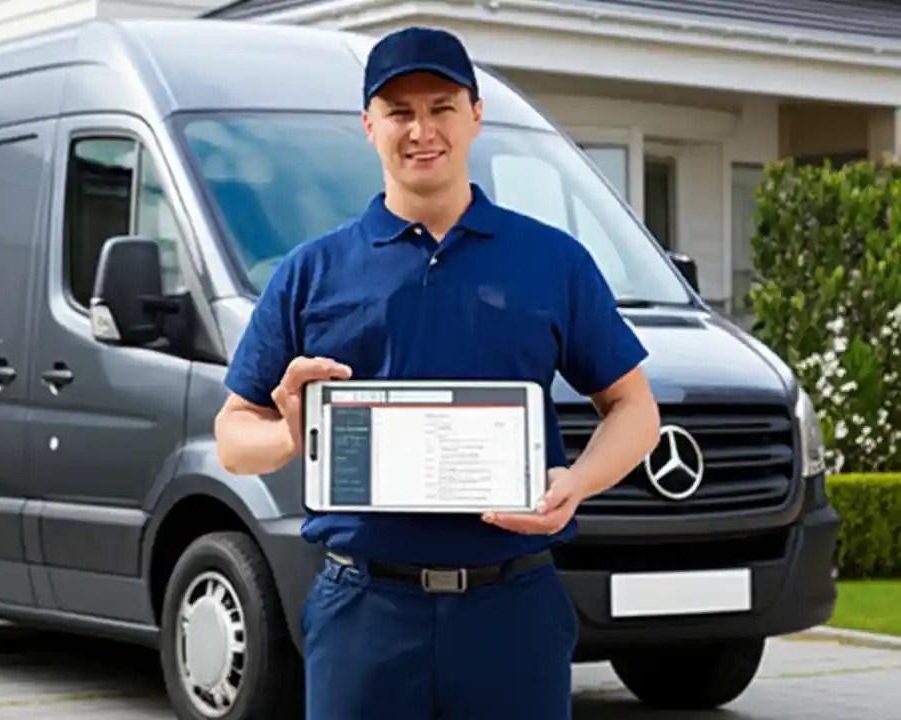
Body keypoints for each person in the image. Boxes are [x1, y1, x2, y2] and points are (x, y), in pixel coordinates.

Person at [213, 25, 662, 720]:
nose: (422, 130)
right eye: (399, 112)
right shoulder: (312, 271)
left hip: (513, 611)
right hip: (363, 611)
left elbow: (635, 410)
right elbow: (233, 435)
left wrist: (577, 482)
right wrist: (293, 435)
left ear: (476, 115)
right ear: (369, 126)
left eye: (441, 107)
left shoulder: (553, 261)